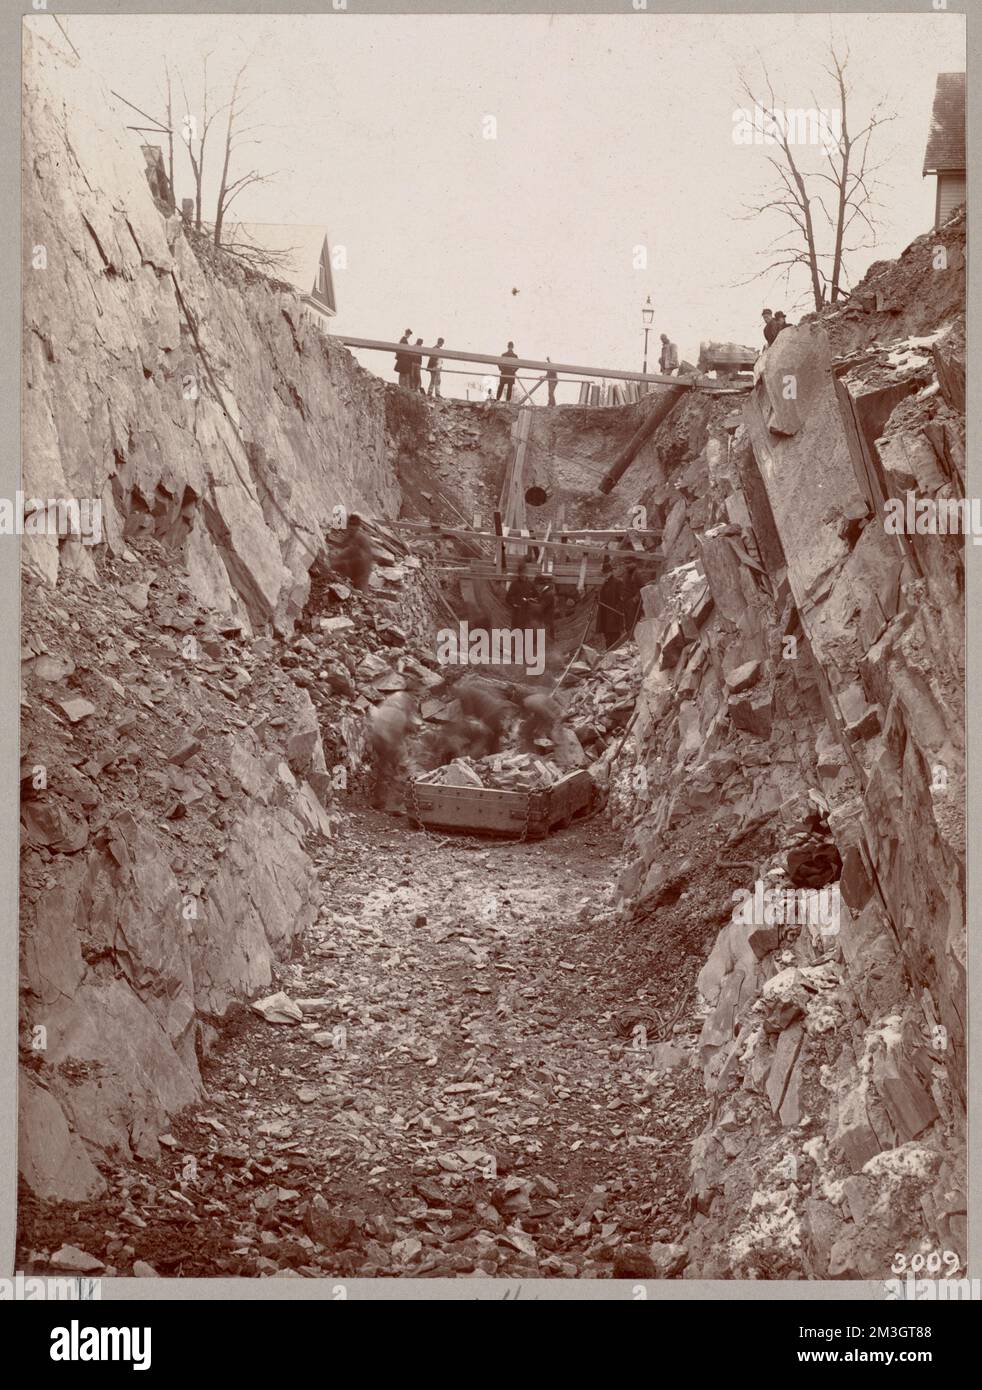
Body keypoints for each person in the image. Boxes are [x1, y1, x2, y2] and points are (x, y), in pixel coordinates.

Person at [367, 690, 418, 810]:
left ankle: (378, 801)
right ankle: (395, 806)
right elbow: (408, 726)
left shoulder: (389, 702)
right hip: (389, 740)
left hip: (378, 738)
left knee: (383, 769)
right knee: (400, 769)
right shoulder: (405, 704)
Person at [333, 512, 374, 591]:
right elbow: (342, 546)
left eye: (354, 525)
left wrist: (343, 561)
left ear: (358, 526)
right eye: (350, 524)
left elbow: (364, 557)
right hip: (354, 565)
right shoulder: (349, 536)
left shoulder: (361, 538)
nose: (352, 527)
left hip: (363, 567)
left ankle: (365, 599)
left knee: (361, 589)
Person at [514, 687, 563, 753]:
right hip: (545, 713)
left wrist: (544, 730)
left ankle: (554, 749)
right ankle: (543, 747)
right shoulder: (528, 701)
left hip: (554, 713)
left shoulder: (530, 704)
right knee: (533, 731)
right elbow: (534, 716)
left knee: (551, 734)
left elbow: (550, 717)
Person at [596, 559, 625, 649]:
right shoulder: (605, 584)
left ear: (611, 572)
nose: (606, 575)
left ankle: (614, 652)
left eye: (608, 573)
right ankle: (608, 652)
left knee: (614, 634)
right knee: (607, 634)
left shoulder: (617, 582)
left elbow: (622, 598)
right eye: (605, 573)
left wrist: (617, 609)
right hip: (605, 613)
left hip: (614, 613)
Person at [505, 562, 537, 628]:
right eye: (521, 573)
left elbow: (537, 597)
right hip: (517, 614)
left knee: (527, 634)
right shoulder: (514, 584)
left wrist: (533, 600)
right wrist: (514, 603)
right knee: (517, 633)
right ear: (518, 573)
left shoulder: (531, 584)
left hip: (528, 614)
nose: (523, 574)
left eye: (524, 572)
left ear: (527, 573)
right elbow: (508, 598)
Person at [530, 571, 557, 640]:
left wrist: (529, 603)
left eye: (537, 586)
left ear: (541, 585)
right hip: (546, 622)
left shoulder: (548, 594)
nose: (536, 588)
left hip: (546, 624)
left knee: (547, 643)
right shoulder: (546, 592)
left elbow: (540, 608)